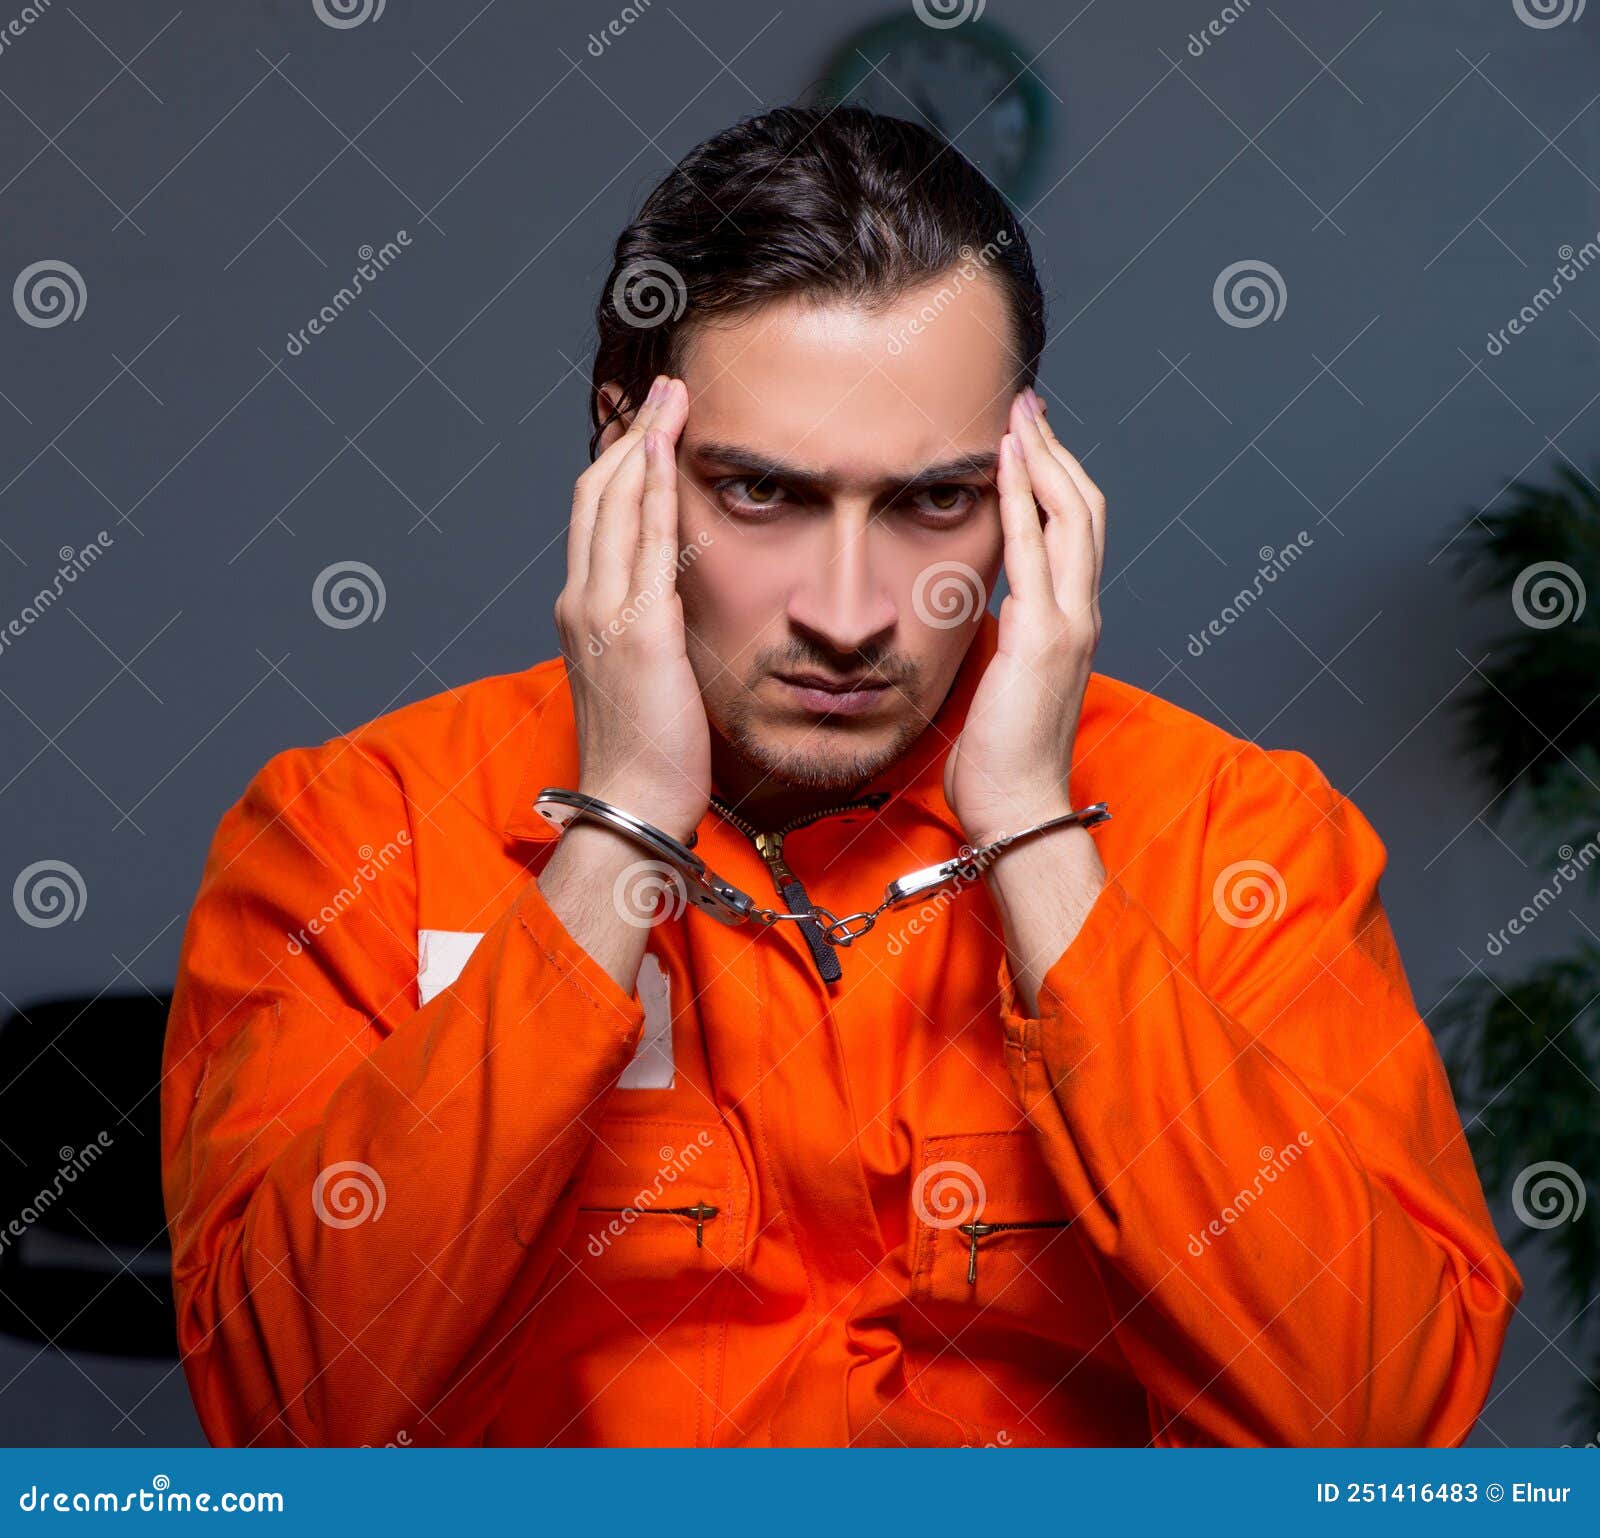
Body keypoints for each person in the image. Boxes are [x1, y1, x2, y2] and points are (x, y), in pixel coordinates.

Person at [160, 105, 1519, 1449]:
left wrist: (1042, 843)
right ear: (623, 450)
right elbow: (294, 1420)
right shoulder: (359, 830)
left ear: (1030, 491)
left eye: (934, 500)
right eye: (763, 494)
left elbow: (1372, 1424)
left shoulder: (1241, 835)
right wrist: (622, 828)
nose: (854, 610)